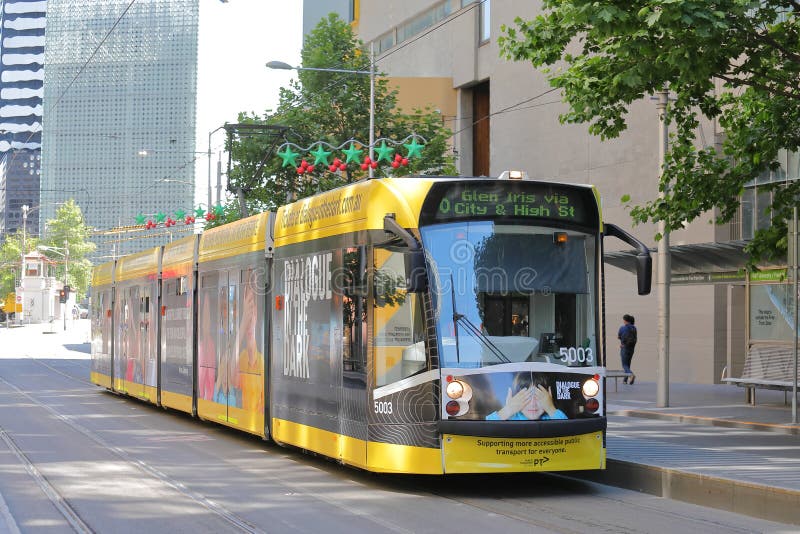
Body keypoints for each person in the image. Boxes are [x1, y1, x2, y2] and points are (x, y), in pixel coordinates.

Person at [486, 373, 567, 420]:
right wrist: (508, 409)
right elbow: (486, 427)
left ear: (548, 397)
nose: (533, 404)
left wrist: (551, 409)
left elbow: (566, 429)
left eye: (539, 397)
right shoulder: (510, 418)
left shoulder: (552, 418)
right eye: (526, 397)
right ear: (516, 398)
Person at [618, 314, 637, 384]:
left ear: (625, 320)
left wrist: (623, 343)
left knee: (624, 365)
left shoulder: (622, 328)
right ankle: (625, 380)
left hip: (624, 348)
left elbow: (619, 336)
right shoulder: (634, 328)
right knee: (628, 364)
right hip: (631, 349)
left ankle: (631, 375)